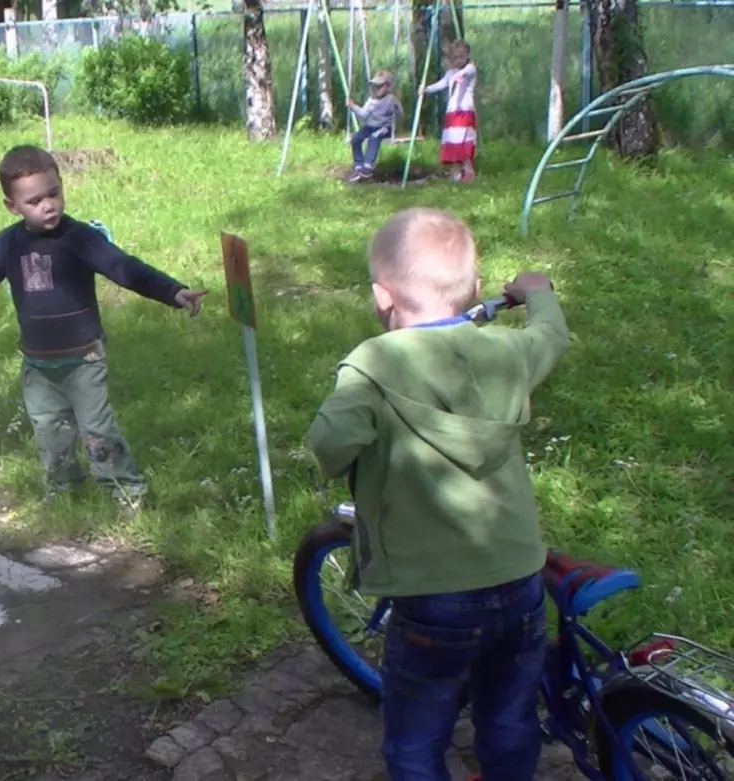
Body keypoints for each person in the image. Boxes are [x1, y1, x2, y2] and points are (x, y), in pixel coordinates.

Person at [304, 207, 569, 781]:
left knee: (416, 742)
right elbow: (550, 335)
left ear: (383, 297)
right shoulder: (506, 353)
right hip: (520, 578)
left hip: (432, 598)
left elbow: (328, 446)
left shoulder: (375, 365)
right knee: (510, 722)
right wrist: (539, 293)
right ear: (474, 288)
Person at [0, 145, 208, 504]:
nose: (48, 205)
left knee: (97, 430)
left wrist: (173, 292)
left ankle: (125, 491)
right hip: (38, 364)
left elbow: (124, 268)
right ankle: (63, 491)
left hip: (84, 359)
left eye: (54, 193)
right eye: (34, 200)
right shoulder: (6, 245)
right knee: (49, 431)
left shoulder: (79, 238)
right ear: (12, 206)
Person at [423, 40, 478, 182]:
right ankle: (455, 172)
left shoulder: (470, 69)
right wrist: (426, 89)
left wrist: (461, 75)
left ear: (467, 56)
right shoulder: (450, 73)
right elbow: (441, 84)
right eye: (455, 57)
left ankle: (468, 170)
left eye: (461, 57)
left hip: (464, 110)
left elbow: (468, 72)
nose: (458, 60)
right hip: (452, 112)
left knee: (462, 140)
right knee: (452, 142)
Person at [345, 70, 404, 183]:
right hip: (371, 126)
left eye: (380, 86)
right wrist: (353, 106)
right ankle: (358, 166)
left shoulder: (391, 99)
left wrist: (396, 115)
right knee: (355, 138)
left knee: (374, 137)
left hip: (385, 127)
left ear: (388, 86)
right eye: (374, 85)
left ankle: (367, 167)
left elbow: (401, 115)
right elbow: (363, 114)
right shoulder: (371, 100)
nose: (376, 88)